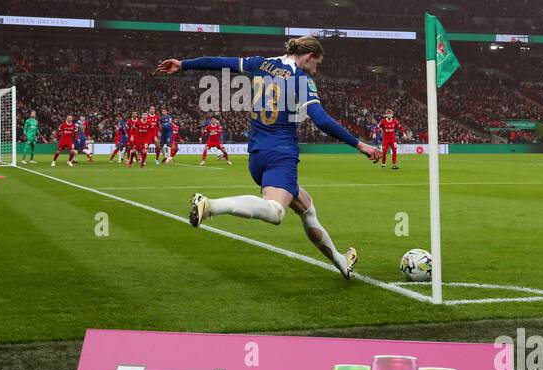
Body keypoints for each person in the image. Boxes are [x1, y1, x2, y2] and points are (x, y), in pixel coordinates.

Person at [155, 36, 380, 280]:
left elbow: (220, 61)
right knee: (275, 213)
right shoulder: (302, 79)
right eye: (318, 63)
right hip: (280, 155)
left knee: (307, 208)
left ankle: (340, 261)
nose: (317, 68)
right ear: (309, 56)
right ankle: (210, 206)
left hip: (257, 156)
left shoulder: (260, 63)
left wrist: (184, 64)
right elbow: (322, 119)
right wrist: (359, 144)